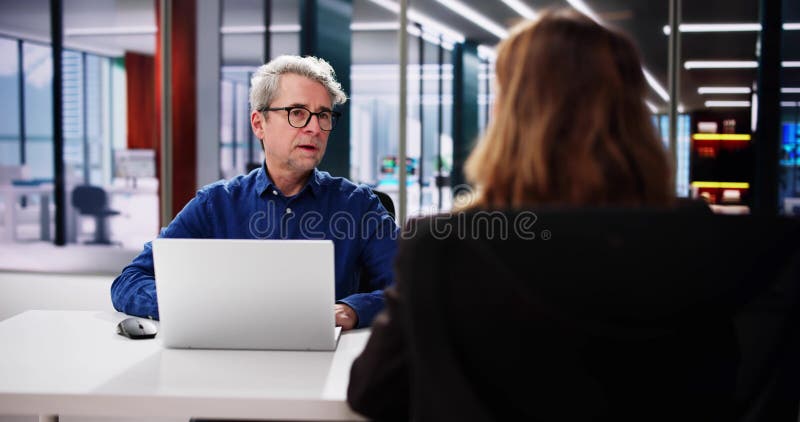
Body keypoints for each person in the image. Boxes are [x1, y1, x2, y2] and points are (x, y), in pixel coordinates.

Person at [347, 9, 737, 421]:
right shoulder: (690, 238)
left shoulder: (444, 245)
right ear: (634, 121)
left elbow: (373, 391)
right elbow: (722, 389)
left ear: (506, 118)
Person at [111, 55, 397, 330]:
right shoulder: (216, 205)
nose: (314, 128)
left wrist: (352, 310)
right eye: (297, 112)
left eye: (323, 115)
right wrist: (196, 305)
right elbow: (130, 281)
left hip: (323, 364)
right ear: (259, 124)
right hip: (229, 365)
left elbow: (409, 288)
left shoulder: (358, 205)